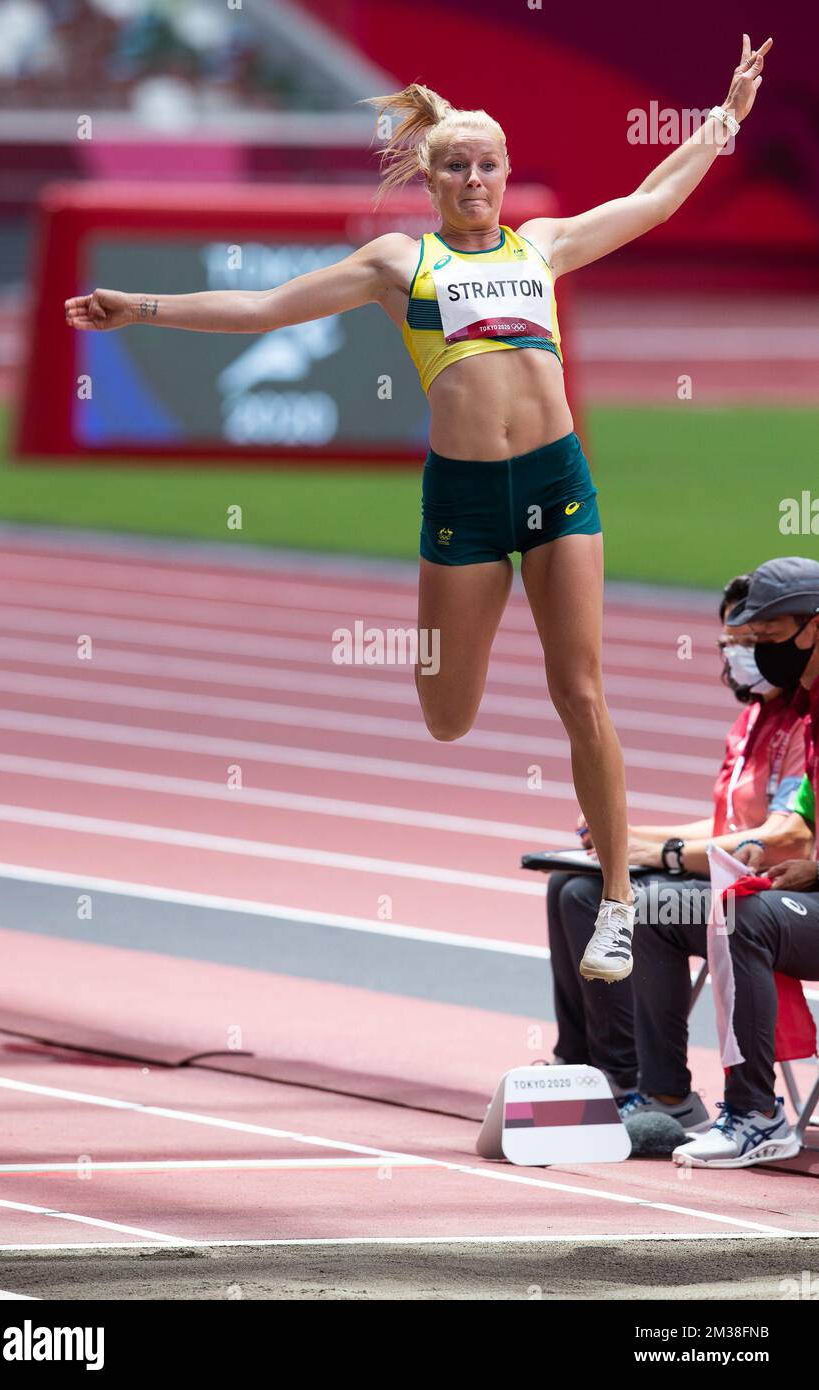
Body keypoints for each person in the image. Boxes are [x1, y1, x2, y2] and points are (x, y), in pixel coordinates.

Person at [65, 37, 772, 980]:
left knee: (583, 692)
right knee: (447, 714)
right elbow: (266, 309)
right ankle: (478, 695)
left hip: (560, 485)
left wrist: (723, 119)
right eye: (456, 165)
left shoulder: (544, 245)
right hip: (466, 502)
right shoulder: (401, 263)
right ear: (433, 179)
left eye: (488, 164)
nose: (474, 178)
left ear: (507, 172)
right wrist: (140, 309)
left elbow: (649, 200)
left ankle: (614, 899)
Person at [547, 572, 809, 1123]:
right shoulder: (754, 722)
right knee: (569, 886)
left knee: (635, 905)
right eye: (732, 642)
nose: (741, 653)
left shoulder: (802, 725)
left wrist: (656, 850)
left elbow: (786, 835)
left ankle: (643, 1087)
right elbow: (727, 822)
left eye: (755, 638)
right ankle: (588, 1067)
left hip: (763, 892)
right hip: (731, 882)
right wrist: (630, 840)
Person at [669, 556, 819, 1167]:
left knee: (743, 914)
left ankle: (757, 1116)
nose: (756, 651)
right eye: (747, 638)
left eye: (768, 635)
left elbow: (793, 831)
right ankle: (655, 1094)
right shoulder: (807, 714)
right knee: (657, 907)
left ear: (814, 627)